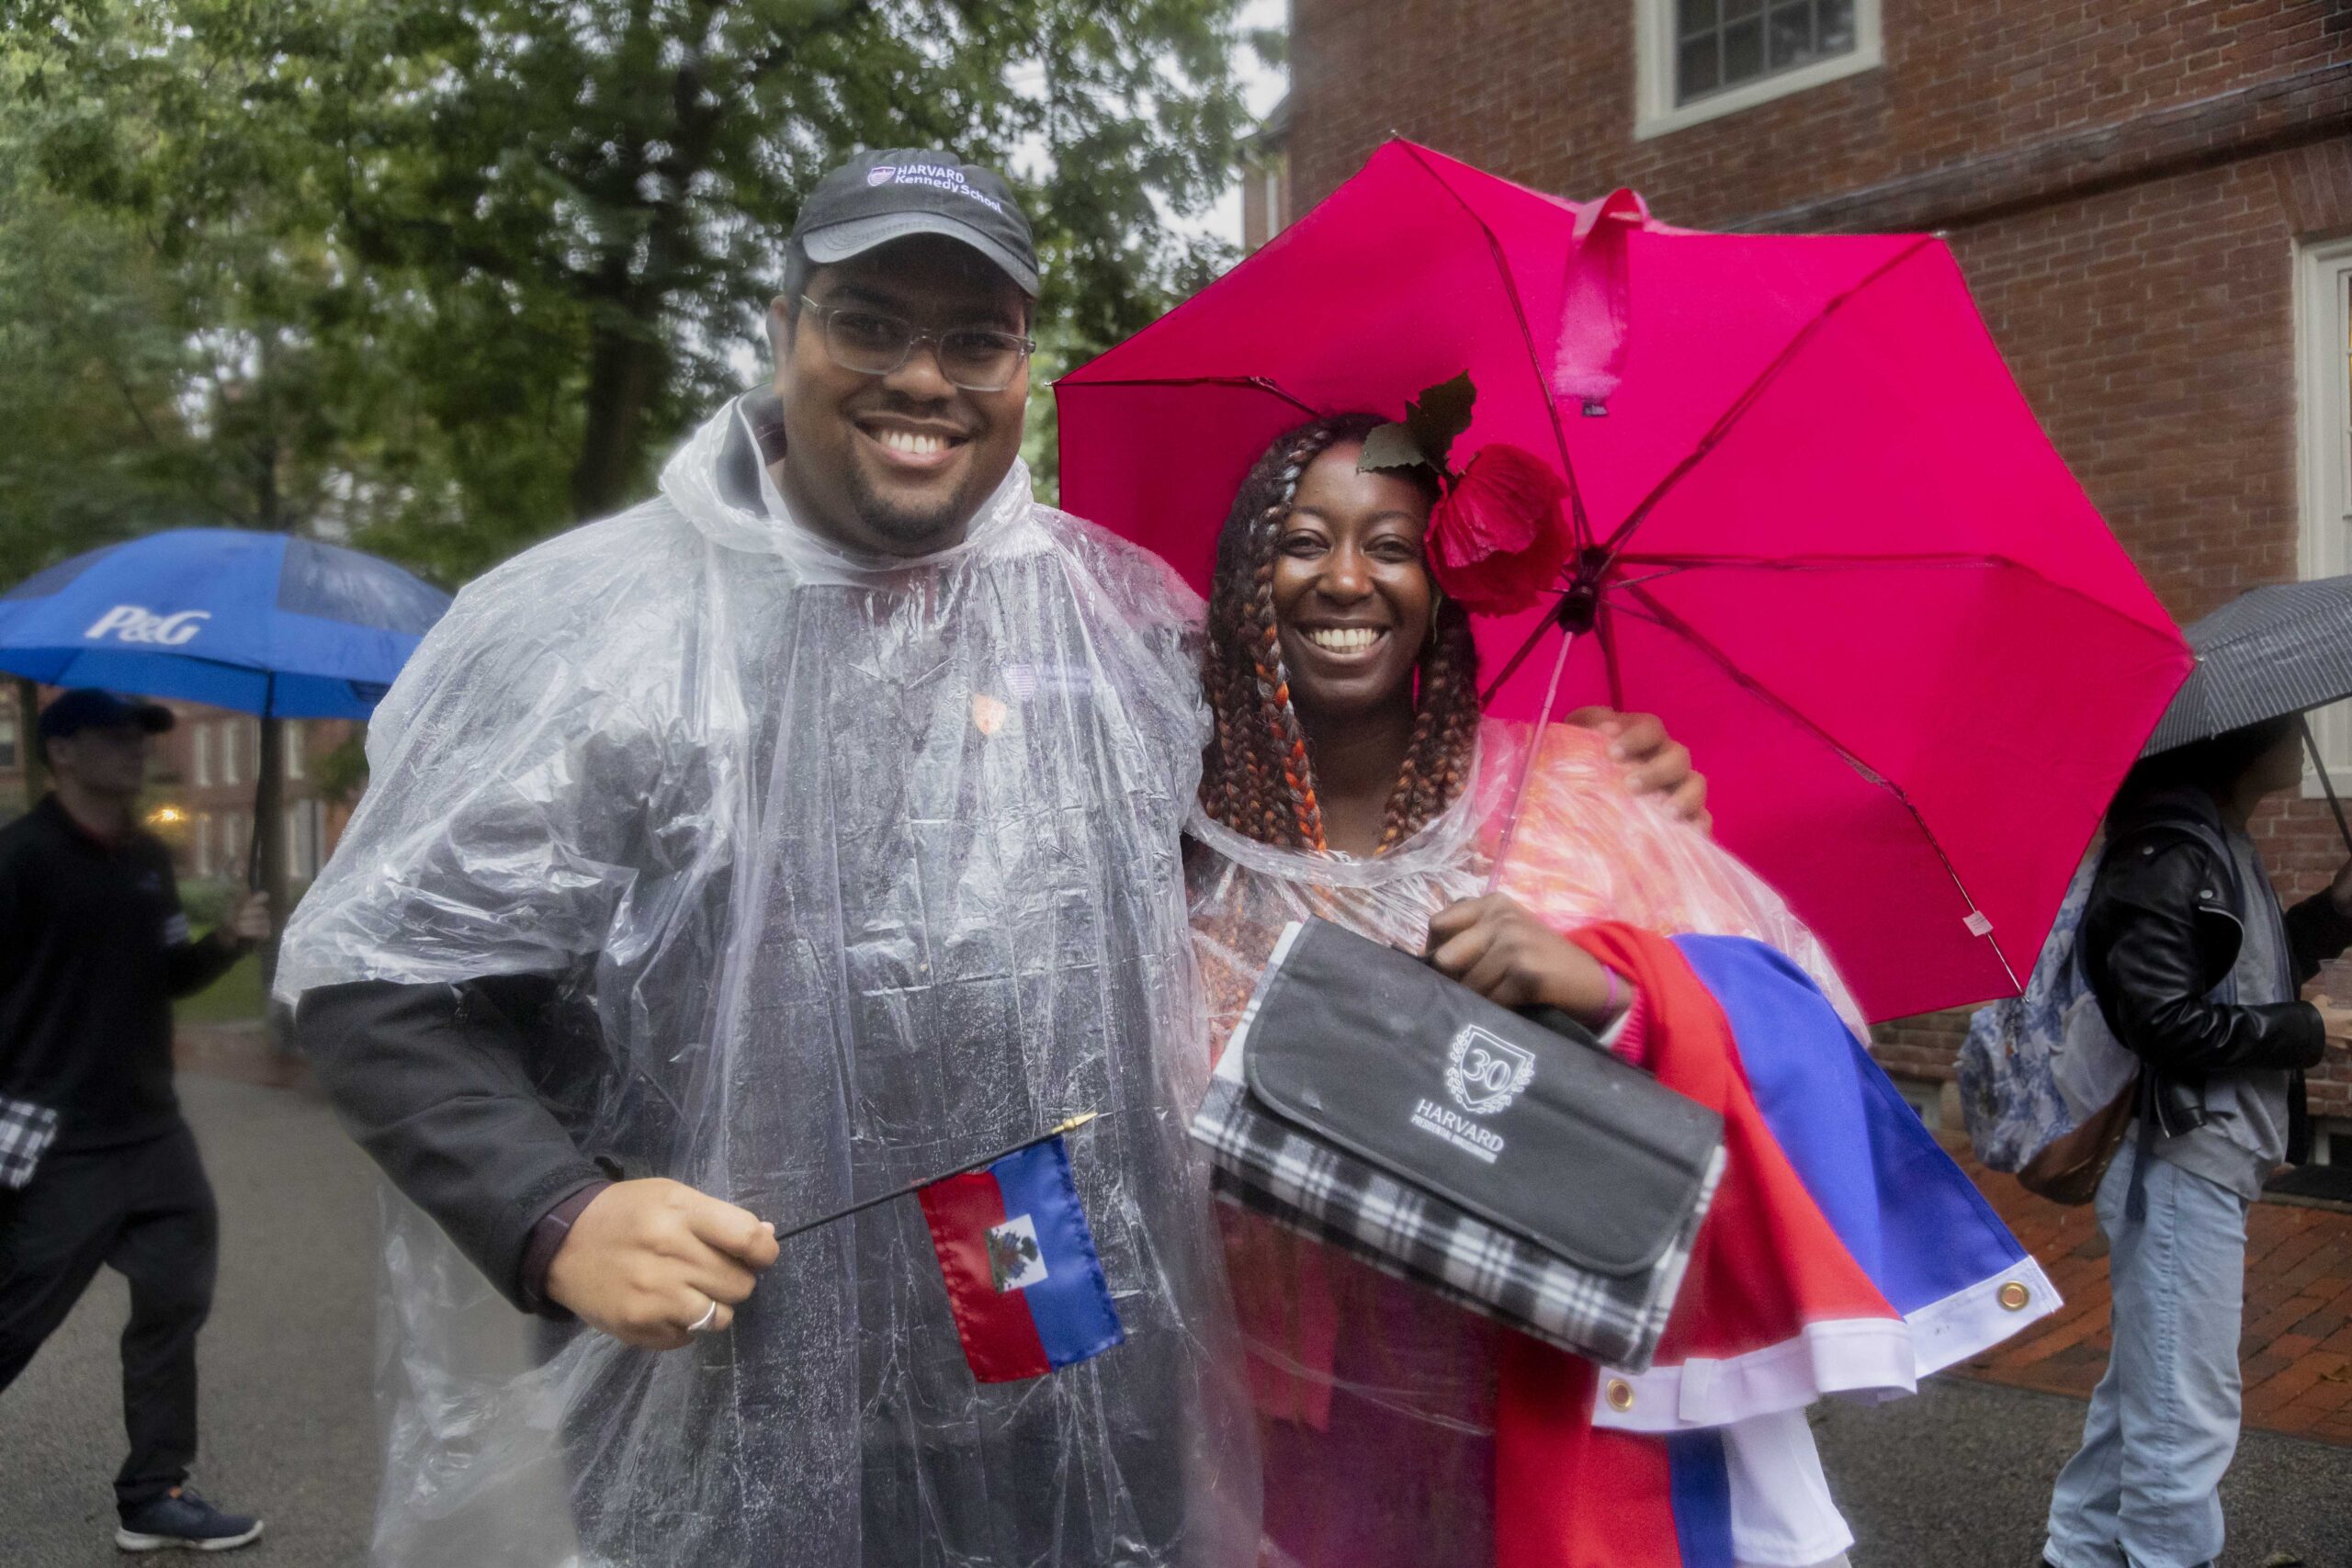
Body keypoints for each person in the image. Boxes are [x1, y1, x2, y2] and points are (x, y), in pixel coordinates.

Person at [280, 151, 1699, 1566]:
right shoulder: (591, 630)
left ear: (1024, 362)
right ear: (782, 329)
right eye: (869, 322)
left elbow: (1300, 795)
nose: (924, 377)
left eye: (975, 338)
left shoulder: (1117, 623)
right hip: (739, 1380)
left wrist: (1564, 772)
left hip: (1068, 1367)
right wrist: (558, 1212)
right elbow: (378, 975)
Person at [1183, 415, 2056, 1568]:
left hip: (1566, 1424)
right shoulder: (1173, 838)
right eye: (1303, 541)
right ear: (1247, 576)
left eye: (1389, 546)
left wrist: (1608, 989)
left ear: (1442, 588)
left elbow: (1807, 1045)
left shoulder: (1577, 794)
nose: (1346, 578)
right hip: (1295, 1441)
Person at [2041, 716, 2352, 1568]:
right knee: (2186, 1408)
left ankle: (2078, 1552)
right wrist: (2307, 1029)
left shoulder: (2214, 840)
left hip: (2199, 1152)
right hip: (2178, 1160)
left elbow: (2236, 966)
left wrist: (2335, 913)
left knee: (2149, 1387)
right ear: (2241, 741)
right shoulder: (2168, 851)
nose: (2303, 737)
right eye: (2289, 726)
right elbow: (2162, 1020)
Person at [0, 689, 272, 1555]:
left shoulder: (149, 858)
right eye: (114, 736)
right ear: (62, 752)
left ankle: (154, 1491)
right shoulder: (19, 860)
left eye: (140, 737)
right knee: (12, 1319)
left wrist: (225, 940)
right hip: (58, 1141)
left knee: (173, 1307)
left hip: (155, 1137)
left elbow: (166, 975)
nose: (135, 749)